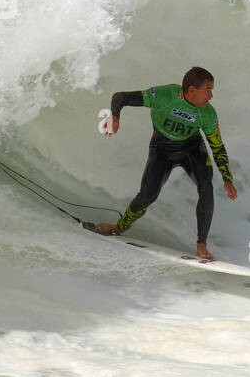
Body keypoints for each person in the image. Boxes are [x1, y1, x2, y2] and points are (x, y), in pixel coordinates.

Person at [94, 66, 237, 260]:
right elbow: (120, 97)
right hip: (161, 149)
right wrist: (115, 116)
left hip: (191, 149)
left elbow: (217, 146)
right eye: (208, 90)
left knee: (206, 187)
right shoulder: (164, 96)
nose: (211, 96)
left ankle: (201, 244)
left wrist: (227, 178)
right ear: (192, 90)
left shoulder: (208, 114)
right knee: (147, 195)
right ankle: (119, 227)